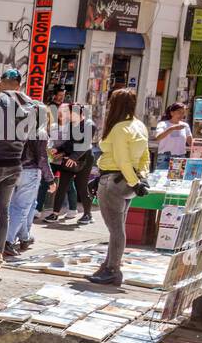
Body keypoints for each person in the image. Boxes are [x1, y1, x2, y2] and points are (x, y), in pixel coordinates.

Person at [0, 68, 47, 271]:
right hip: (15, 162)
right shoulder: (33, 105)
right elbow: (37, 135)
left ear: (1, 82)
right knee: (2, 211)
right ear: (19, 84)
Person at [89, 88, 149, 287]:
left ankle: (112, 270)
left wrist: (135, 181)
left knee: (116, 229)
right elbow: (144, 156)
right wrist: (140, 179)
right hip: (126, 181)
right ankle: (108, 266)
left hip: (114, 180)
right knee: (118, 226)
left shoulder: (119, 128)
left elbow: (123, 160)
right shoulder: (139, 126)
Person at [4, 115, 56, 256]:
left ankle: (24, 237)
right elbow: (42, 158)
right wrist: (50, 179)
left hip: (13, 170)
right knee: (21, 208)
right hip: (29, 171)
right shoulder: (40, 132)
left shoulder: (16, 129)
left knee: (20, 206)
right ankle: (7, 241)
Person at [45, 103, 96, 224]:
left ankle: (88, 214)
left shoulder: (89, 125)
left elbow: (85, 144)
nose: (66, 115)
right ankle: (55, 213)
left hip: (84, 159)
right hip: (69, 158)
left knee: (82, 187)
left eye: (69, 112)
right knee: (62, 186)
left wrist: (73, 157)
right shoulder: (70, 125)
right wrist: (58, 150)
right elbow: (69, 143)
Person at [153, 101, 192, 171]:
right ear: (172, 113)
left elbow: (191, 142)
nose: (181, 115)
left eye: (183, 113)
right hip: (165, 156)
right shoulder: (163, 124)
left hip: (180, 157)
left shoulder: (185, 125)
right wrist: (172, 128)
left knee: (178, 180)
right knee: (162, 179)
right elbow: (158, 137)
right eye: (179, 112)